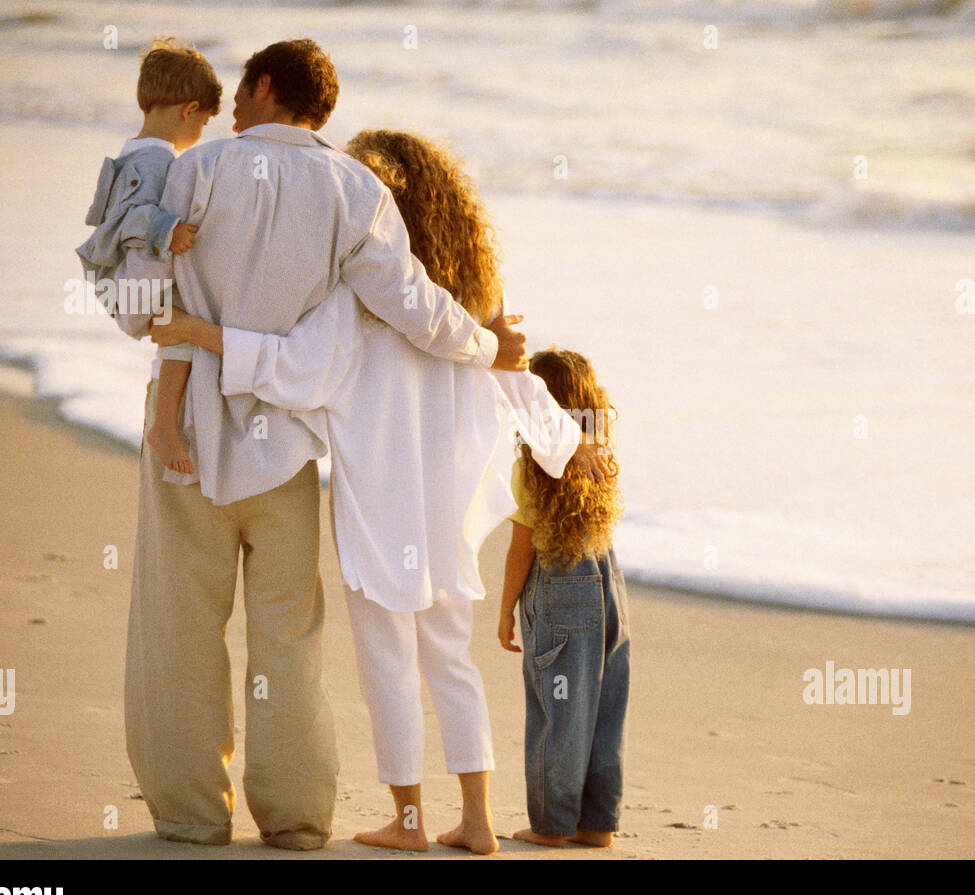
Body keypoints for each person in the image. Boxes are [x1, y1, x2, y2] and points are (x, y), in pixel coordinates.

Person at [114, 40, 529, 851]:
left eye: (239, 91)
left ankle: (193, 813)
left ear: (266, 87)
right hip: (288, 446)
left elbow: (139, 308)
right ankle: (297, 816)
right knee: (289, 637)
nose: (229, 109)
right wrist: (487, 346)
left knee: (179, 626)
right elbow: (415, 308)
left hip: (188, 430)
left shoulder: (191, 173)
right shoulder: (356, 189)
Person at [154, 130, 610, 854]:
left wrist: (196, 331)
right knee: (451, 662)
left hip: (378, 507)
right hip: (447, 512)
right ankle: (479, 822)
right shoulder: (473, 299)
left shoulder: (356, 301)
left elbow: (287, 364)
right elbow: (516, 380)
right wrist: (569, 445)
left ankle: (409, 825)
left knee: (389, 668)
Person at [497, 348, 630, 848]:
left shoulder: (534, 467)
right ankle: (596, 823)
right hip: (608, 582)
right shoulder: (601, 459)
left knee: (559, 709)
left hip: (560, 589)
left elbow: (521, 548)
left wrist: (506, 609)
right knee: (604, 703)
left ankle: (552, 825)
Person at [76, 36, 220, 476]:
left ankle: (164, 424)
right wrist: (167, 229)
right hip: (136, 284)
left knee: (181, 333)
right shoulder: (159, 163)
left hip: (127, 280)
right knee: (186, 330)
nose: (201, 137)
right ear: (188, 110)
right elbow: (130, 220)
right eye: (205, 124)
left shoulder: (133, 154)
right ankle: (164, 427)